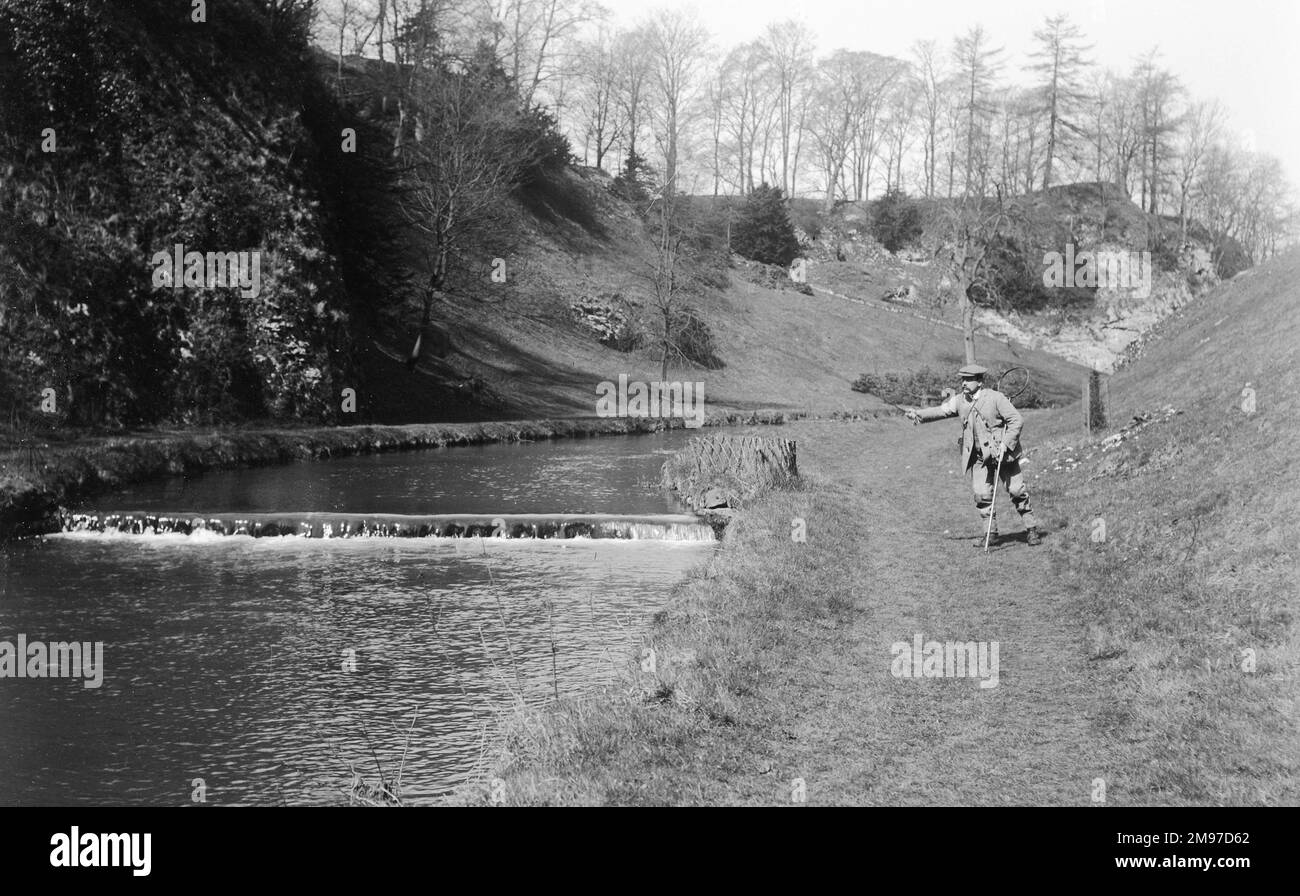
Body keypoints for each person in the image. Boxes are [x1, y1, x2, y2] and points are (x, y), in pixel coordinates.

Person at [904, 364, 1041, 547]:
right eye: (963, 379)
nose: (964, 383)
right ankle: (990, 533)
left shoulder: (996, 398)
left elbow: (1016, 420)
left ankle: (1031, 529)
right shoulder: (960, 400)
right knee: (982, 495)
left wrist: (1006, 444)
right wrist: (918, 414)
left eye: (968, 380)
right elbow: (942, 410)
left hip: (1003, 455)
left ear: (980, 381)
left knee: (1017, 491)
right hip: (978, 457)